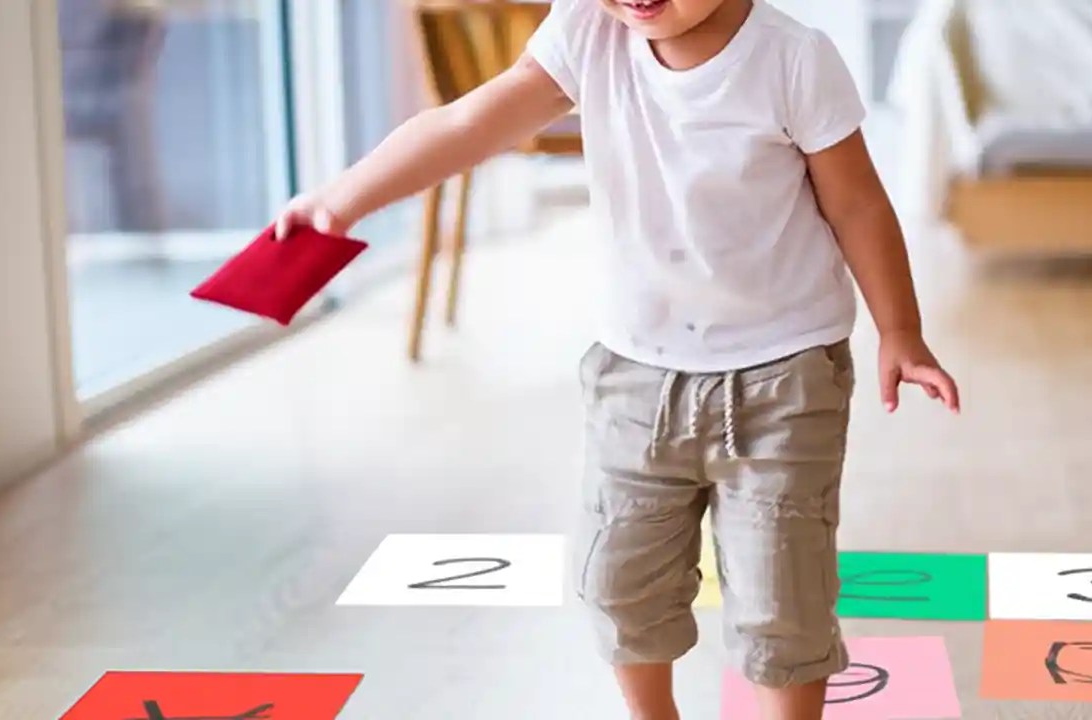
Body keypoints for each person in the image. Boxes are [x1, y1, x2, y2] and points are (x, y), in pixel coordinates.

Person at [274, 0, 960, 717]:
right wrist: (341, 200)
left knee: (781, 597)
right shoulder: (587, 31)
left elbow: (856, 204)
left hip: (782, 376)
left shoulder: (794, 56)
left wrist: (900, 331)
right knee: (618, 582)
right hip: (635, 375)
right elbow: (468, 122)